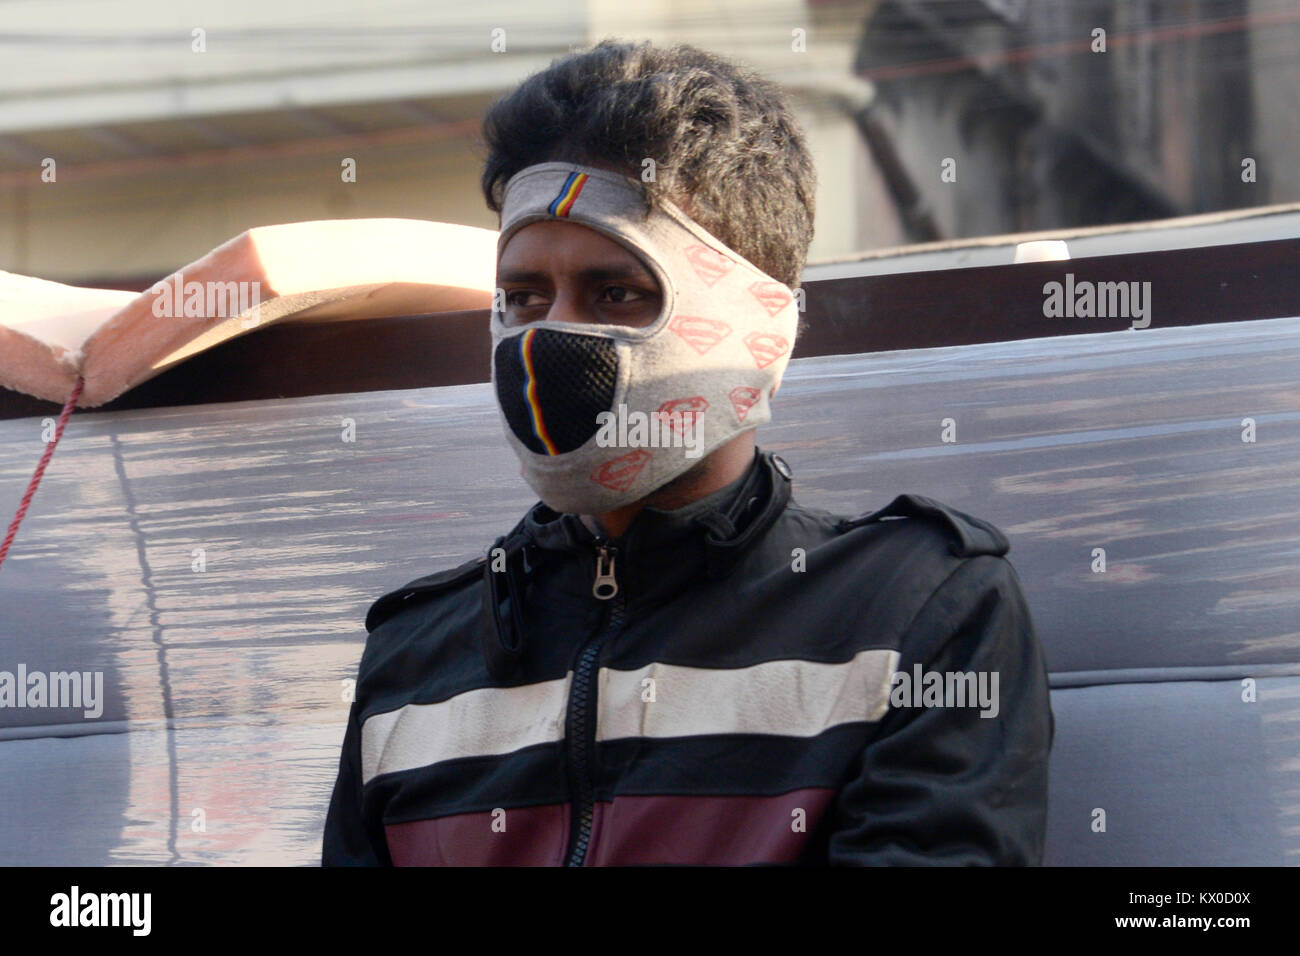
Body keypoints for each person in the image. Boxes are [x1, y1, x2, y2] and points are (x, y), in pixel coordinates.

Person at [322, 39, 1054, 866]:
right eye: (524, 297)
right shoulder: (412, 661)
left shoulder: (916, 612)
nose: (548, 338)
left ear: (758, 328)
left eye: (617, 293)